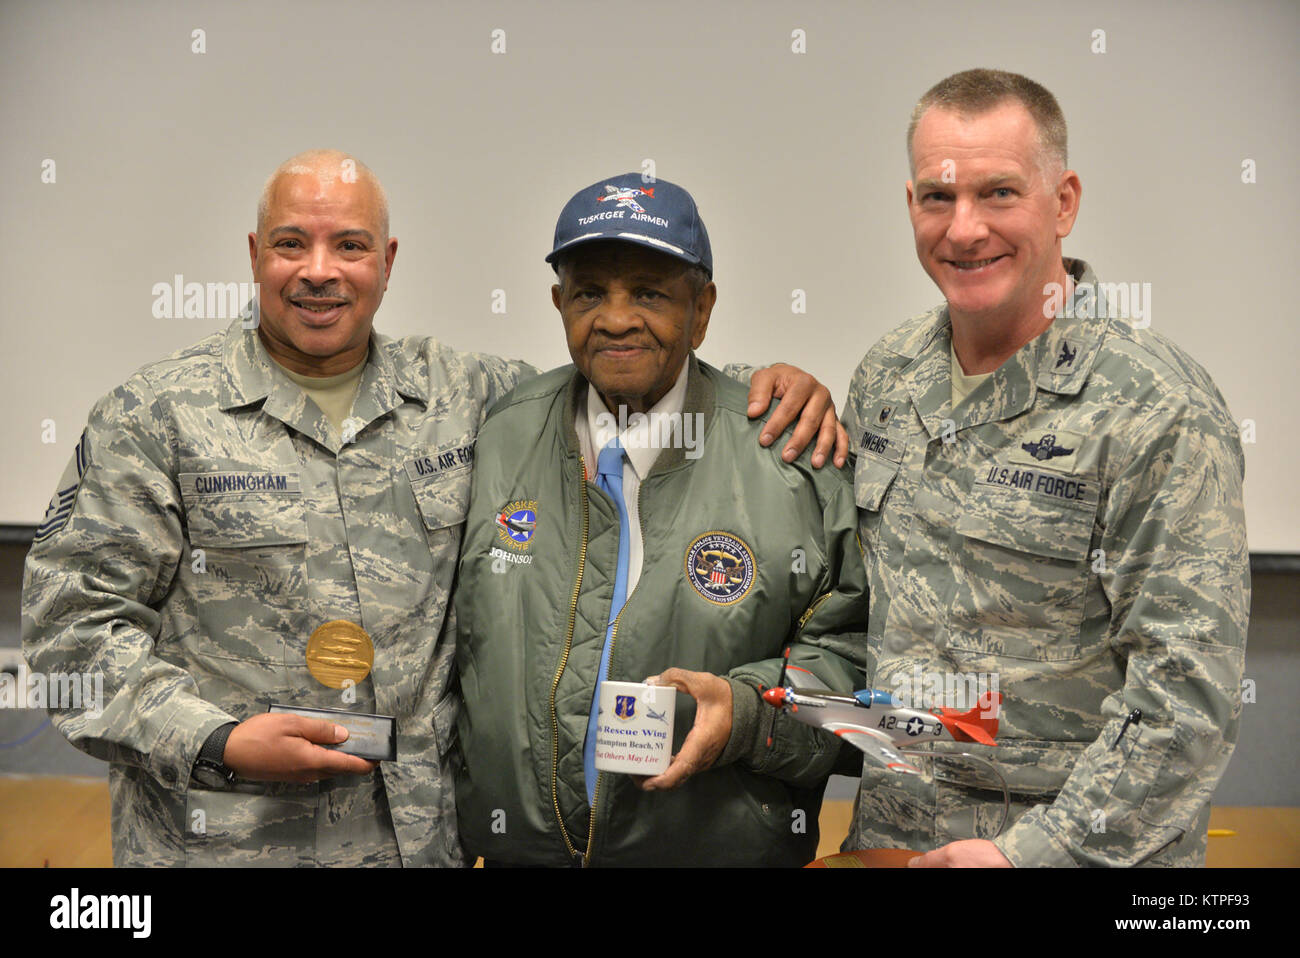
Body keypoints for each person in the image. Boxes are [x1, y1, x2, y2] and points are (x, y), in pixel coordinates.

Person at [21, 151, 844, 867]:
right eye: (290, 243)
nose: (319, 269)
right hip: (227, 841)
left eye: (348, 245)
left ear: (387, 259)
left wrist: (770, 387)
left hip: (421, 846)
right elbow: (69, 641)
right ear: (252, 255)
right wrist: (214, 740)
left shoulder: (465, 397)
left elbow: (632, 367)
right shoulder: (154, 415)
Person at [842, 70, 1249, 867]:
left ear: (1063, 202)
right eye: (938, 197)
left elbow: (1187, 701)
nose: (964, 230)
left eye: (999, 193)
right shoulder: (886, 378)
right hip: (896, 843)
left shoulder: (1156, 407)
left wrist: (1031, 854)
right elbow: (855, 611)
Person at [453, 173, 869, 867]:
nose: (616, 318)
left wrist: (749, 716)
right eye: (590, 293)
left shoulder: (792, 457)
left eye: (648, 292)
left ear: (701, 310)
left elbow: (857, 667)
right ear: (559, 305)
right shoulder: (496, 438)